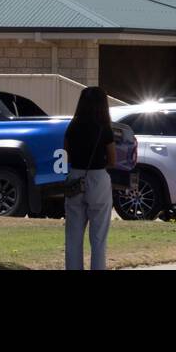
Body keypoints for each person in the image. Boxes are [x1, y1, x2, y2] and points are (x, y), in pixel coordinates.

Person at [63, 87, 116, 270]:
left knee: (73, 237)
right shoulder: (104, 128)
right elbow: (112, 160)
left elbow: (67, 155)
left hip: (75, 177)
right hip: (98, 178)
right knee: (99, 237)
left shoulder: (73, 126)